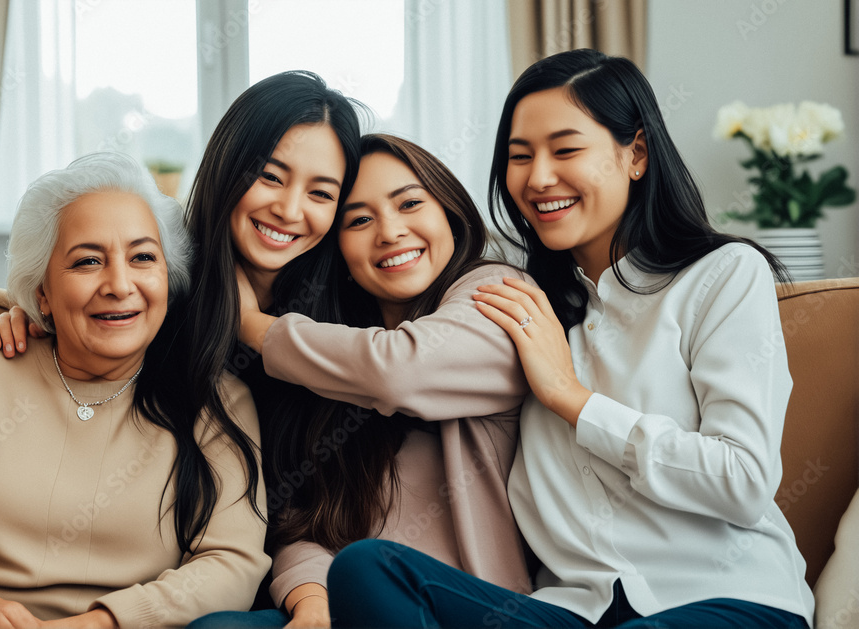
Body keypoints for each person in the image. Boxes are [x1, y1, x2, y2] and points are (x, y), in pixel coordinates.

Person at [324, 49, 815, 629]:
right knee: (366, 569)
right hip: (574, 612)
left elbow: (743, 481)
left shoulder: (721, 275)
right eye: (519, 156)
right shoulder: (515, 304)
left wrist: (569, 398)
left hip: (726, 599)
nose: (538, 178)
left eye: (566, 149)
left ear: (635, 154)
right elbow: (400, 364)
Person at [0, 71, 366, 624]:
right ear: (229, 166)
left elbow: (323, 506)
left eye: (321, 193)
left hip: (301, 573)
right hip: (182, 583)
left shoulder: (348, 312)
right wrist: (35, 313)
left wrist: (256, 325)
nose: (289, 209)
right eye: (270, 177)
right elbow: (80, 283)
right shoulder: (160, 275)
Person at [0, 152, 269, 628]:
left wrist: (100, 623)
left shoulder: (215, 400)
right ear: (43, 294)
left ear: (168, 278)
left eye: (142, 257)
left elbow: (231, 564)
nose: (119, 284)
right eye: (88, 261)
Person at [191, 134, 535, 628]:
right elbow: (308, 523)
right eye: (359, 219)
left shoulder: (497, 293)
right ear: (340, 254)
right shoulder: (333, 359)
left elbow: (400, 371)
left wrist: (252, 324)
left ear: (450, 214)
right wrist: (312, 602)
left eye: (410, 203)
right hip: (352, 605)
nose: (390, 232)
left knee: (368, 569)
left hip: (464, 609)